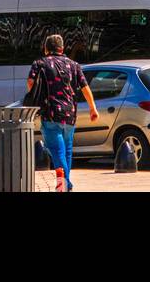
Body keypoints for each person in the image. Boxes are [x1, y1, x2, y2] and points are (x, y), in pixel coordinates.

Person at [27, 33, 98, 192]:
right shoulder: (74, 65)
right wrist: (93, 108)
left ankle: (64, 185)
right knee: (66, 151)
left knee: (57, 151)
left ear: (46, 49)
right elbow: (85, 87)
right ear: (62, 48)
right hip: (70, 115)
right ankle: (65, 184)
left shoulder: (40, 63)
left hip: (51, 113)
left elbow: (31, 82)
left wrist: (36, 97)